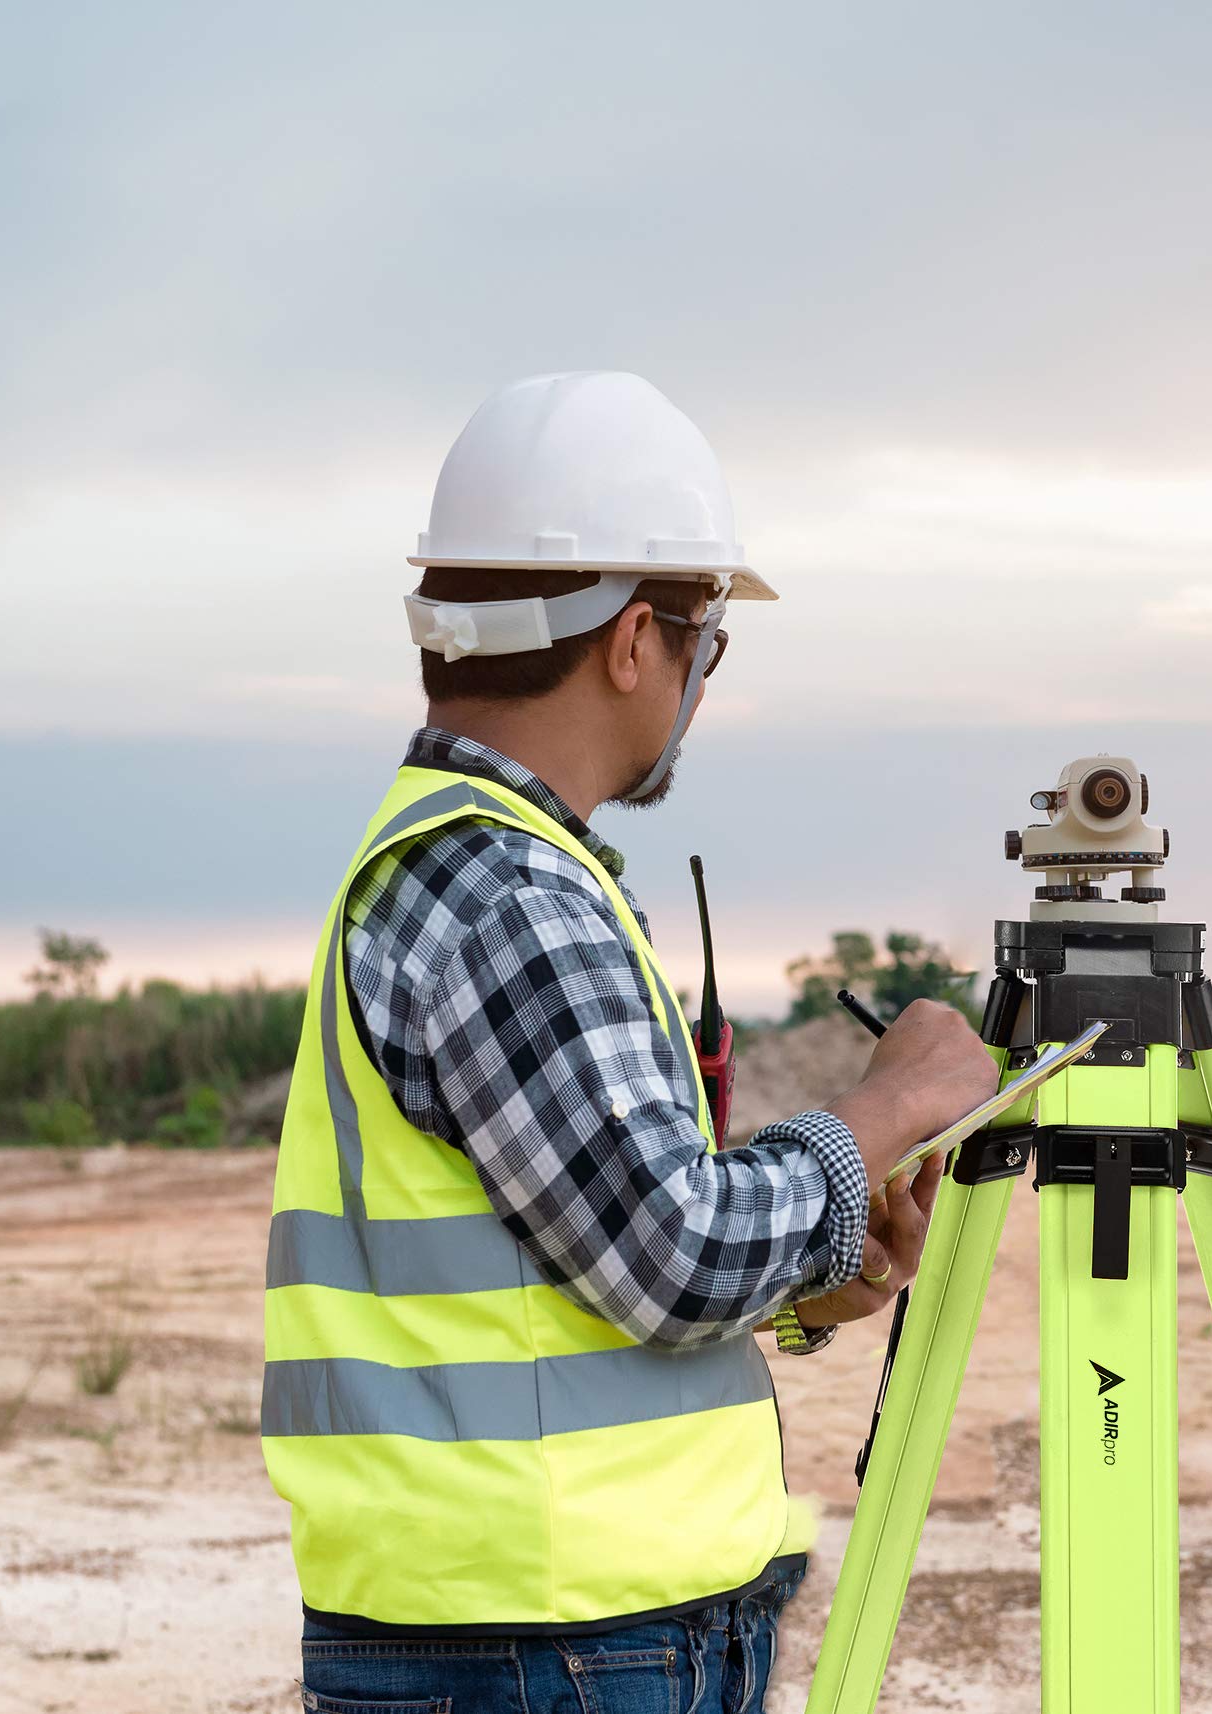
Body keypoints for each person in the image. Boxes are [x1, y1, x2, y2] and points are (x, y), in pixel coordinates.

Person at [261, 371, 1000, 1714]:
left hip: (538, 1631)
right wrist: (901, 1098)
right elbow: (674, 1250)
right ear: (630, 639)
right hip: (549, 1646)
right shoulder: (511, 894)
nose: (697, 685)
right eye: (702, 646)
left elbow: (581, 1265)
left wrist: (810, 1281)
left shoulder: (478, 868)